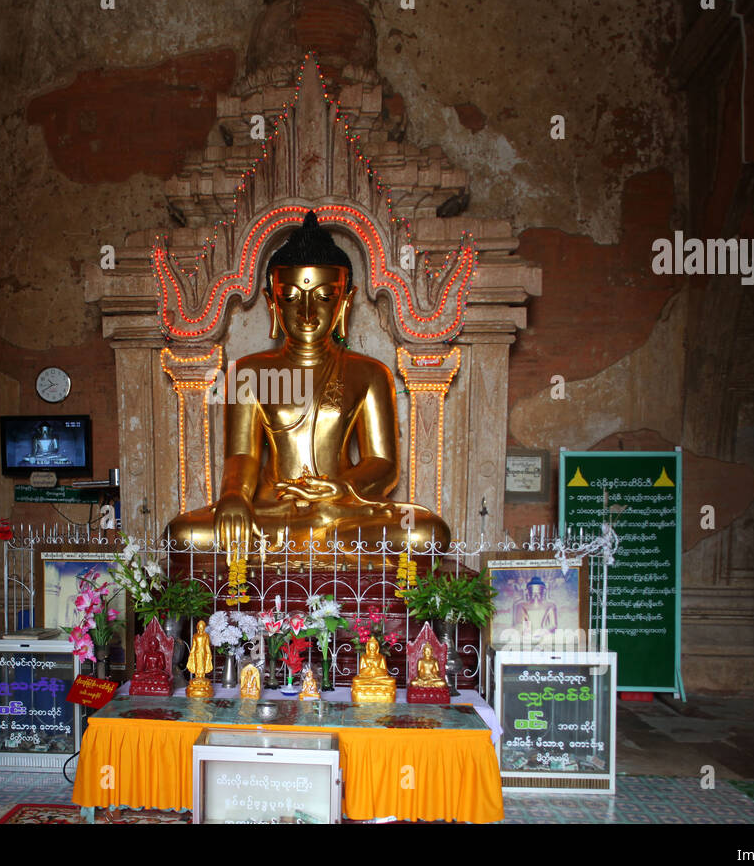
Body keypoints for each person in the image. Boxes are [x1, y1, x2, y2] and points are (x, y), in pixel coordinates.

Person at [166, 211, 449, 566]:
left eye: (324, 295)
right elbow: (243, 456)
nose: (307, 311)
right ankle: (319, 539)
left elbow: (383, 463)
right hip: (271, 510)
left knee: (425, 532)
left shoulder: (370, 373)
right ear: (272, 303)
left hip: (343, 510)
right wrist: (235, 496)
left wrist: (343, 490)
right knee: (183, 535)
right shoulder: (247, 372)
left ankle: (314, 534)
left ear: (345, 300)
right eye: (291, 296)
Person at [513, 576, 557, 646]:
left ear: (544, 591)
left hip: (544, 637)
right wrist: (527, 632)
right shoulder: (521, 606)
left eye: (539, 592)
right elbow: (519, 624)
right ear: (527, 592)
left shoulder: (550, 606)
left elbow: (553, 625)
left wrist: (541, 632)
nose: (536, 595)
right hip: (527, 637)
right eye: (533, 592)